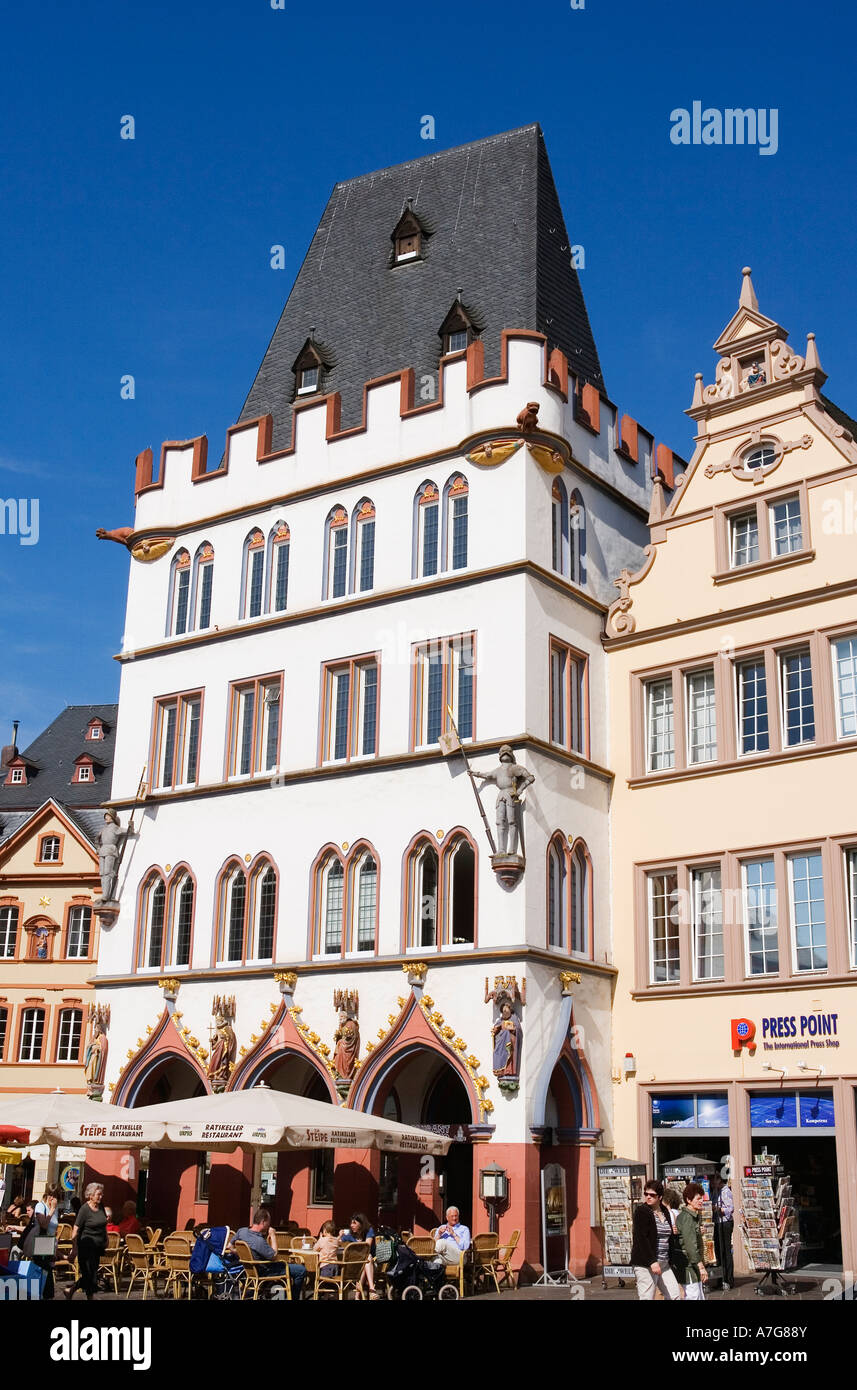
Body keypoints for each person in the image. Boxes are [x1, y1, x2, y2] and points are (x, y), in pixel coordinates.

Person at [235, 1206, 306, 1298]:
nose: (269, 1224)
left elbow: (230, 1246)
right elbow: (274, 1256)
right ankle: (292, 1297)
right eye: (269, 1222)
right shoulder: (259, 1241)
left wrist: (243, 1255)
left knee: (291, 1267)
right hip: (265, 1270)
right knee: (301, 1270)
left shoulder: (242, 1231)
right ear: (263, 1222)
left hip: (250, 1270)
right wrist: (273, 1236)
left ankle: (284, 1295)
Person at [630, 1180, 682, 1301]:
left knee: (675, 1296)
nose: (648, 1197)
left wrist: (673, 1231)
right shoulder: (642, 1211)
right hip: (646, 1264)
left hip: (664, 1263)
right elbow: (641, 1238)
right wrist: (652, 1262)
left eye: (652, 1195)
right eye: (646, 1194)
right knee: (647, 1297)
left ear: (660, 1197)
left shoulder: (664, 1211)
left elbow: (667, 1234)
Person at [67, 1182, 108, 1300]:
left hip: (98, 1247)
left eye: (101, 1194)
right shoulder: (84, 1209)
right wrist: (74, 1248)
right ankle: (89, 1297)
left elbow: (104, 1224)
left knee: (93, 1274)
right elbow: (76, 1229)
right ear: (91, 1195)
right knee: (88, 1274)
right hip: (85, 1246)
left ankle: (71, 1289)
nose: (101, 1197)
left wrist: (106, 1238)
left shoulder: (101, 1207)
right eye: (98, 1194)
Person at [25, 1185, 61, 1299]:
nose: (53, 1199)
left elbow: (53, 1230)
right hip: (40, 1244)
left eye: (55, 1196)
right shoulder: (41, 1206)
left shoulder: (55, 1209)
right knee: (43, 1277)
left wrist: (55, 1249)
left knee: (46, 1279)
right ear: (47, 1195)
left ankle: (41, 1295)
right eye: (51, 1196)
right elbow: (44, 1224)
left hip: (49, 1246)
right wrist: (51, 1210)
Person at [675, 1183, 709, 1301]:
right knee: (693, 1295)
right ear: (689, 1200)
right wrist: (700, 1266)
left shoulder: (693, 1216)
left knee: (698, 1296)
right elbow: (690, 1245)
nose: (701, 1201)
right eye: (698, 1198)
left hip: (692, 1266)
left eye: (702, 1198)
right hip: (688, 1266)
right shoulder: (687, 1217)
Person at [340, 1212, 378, 1298]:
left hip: (372, 1263)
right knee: (364, 1262)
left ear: (361, 1224)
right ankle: (371, 1290)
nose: (351, 1225)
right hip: (355, 1264)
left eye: (354, 1223)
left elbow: (367, 1246)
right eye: (351, 1223)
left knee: (366, 1258)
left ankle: (360, 1295)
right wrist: (339, 1236)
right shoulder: (350, 1234)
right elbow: (337, 1243)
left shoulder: (369, 1231)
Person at [711, 1174, 734, 1290]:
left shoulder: (725, 1191)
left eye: (714, 1181)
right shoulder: (715, 1191)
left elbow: (730, 1208)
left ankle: (728, 1279)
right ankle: (720, 1277)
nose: (712, 1183)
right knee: (719, 1250)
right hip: (717, 1222)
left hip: (725, 1223)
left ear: (719, 1180)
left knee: (726, 1251)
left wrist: (719, 1209)